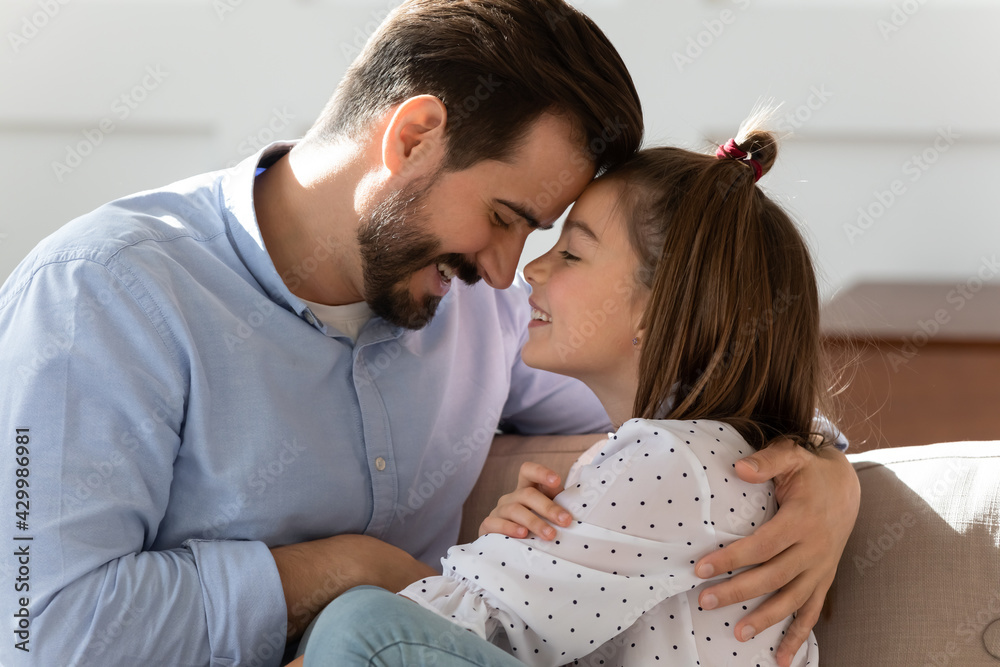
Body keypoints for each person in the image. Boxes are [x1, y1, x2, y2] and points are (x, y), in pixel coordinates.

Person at [0, 2, 856, 666]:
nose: (509, 270)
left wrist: (823, 471)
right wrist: (351, 571)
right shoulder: (99, 298)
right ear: (412, 138)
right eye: (505, 217)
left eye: (547, 236)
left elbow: (690, 390)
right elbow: (41, 628)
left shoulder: (474, 298)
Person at [290, 116, 844, 666]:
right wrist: (513, 549)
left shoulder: (671, 461)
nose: (530, 268)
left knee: (361, 626)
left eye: (572, 253)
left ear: (657, 310)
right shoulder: (718, 452)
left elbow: (449, 627)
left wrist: (489, 562)